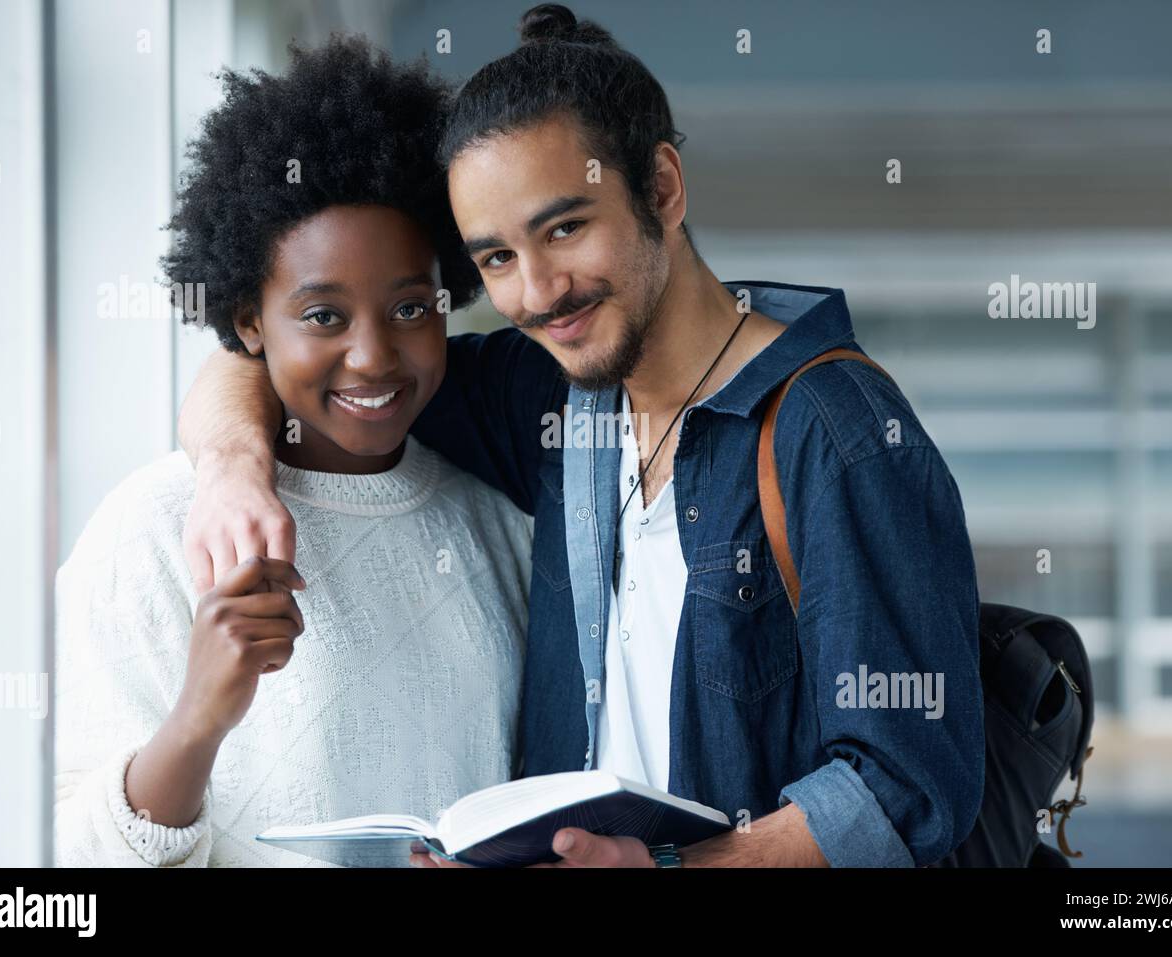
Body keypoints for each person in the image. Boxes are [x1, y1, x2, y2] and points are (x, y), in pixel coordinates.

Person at [179, 4, 984, 868]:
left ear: (663, 189)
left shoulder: (836, 431)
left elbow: (904, 787)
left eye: (565, 228)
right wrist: (233, 471)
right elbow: (298, 363)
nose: (538, 292)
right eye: (496, 258)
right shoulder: (554, 393)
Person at [53, 36, 531, 867]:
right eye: (323, 317)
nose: (374, 356)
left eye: (412, 309)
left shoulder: (496, 522)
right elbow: (66, 861)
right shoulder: (159, 528)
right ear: (247, 321)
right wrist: (199, 717)